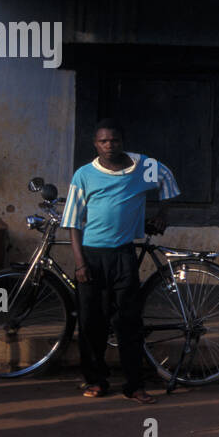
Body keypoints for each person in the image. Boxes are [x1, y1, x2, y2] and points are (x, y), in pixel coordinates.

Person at [61, 118, 179, 404]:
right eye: (103, 141)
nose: (109, 146)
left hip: (124, 254)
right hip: (91, 255)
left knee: (128, 321)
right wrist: (80, 263)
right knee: (92, 323)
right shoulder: (85, 174)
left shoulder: (143, 167)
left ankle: (134, 385)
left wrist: (163, 213)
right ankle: (96, 380)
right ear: (95, 144)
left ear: (122, 142)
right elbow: (73, 222)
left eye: (114, 140)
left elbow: (169, 182)